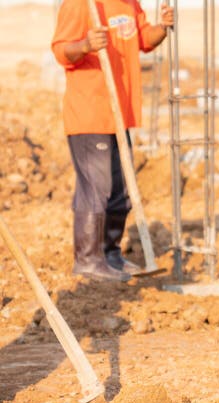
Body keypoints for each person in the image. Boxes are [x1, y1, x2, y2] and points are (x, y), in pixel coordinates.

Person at [52, 0, 174, 282]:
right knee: (97, 187)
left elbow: (144, 39)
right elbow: (60, 51)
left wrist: (163, 29)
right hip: (89, 114)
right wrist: (84, 45)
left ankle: (110, 254)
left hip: (120, 114)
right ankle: (87, 259)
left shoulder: (130, 3)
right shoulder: (81, 4)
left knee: (120, 189)